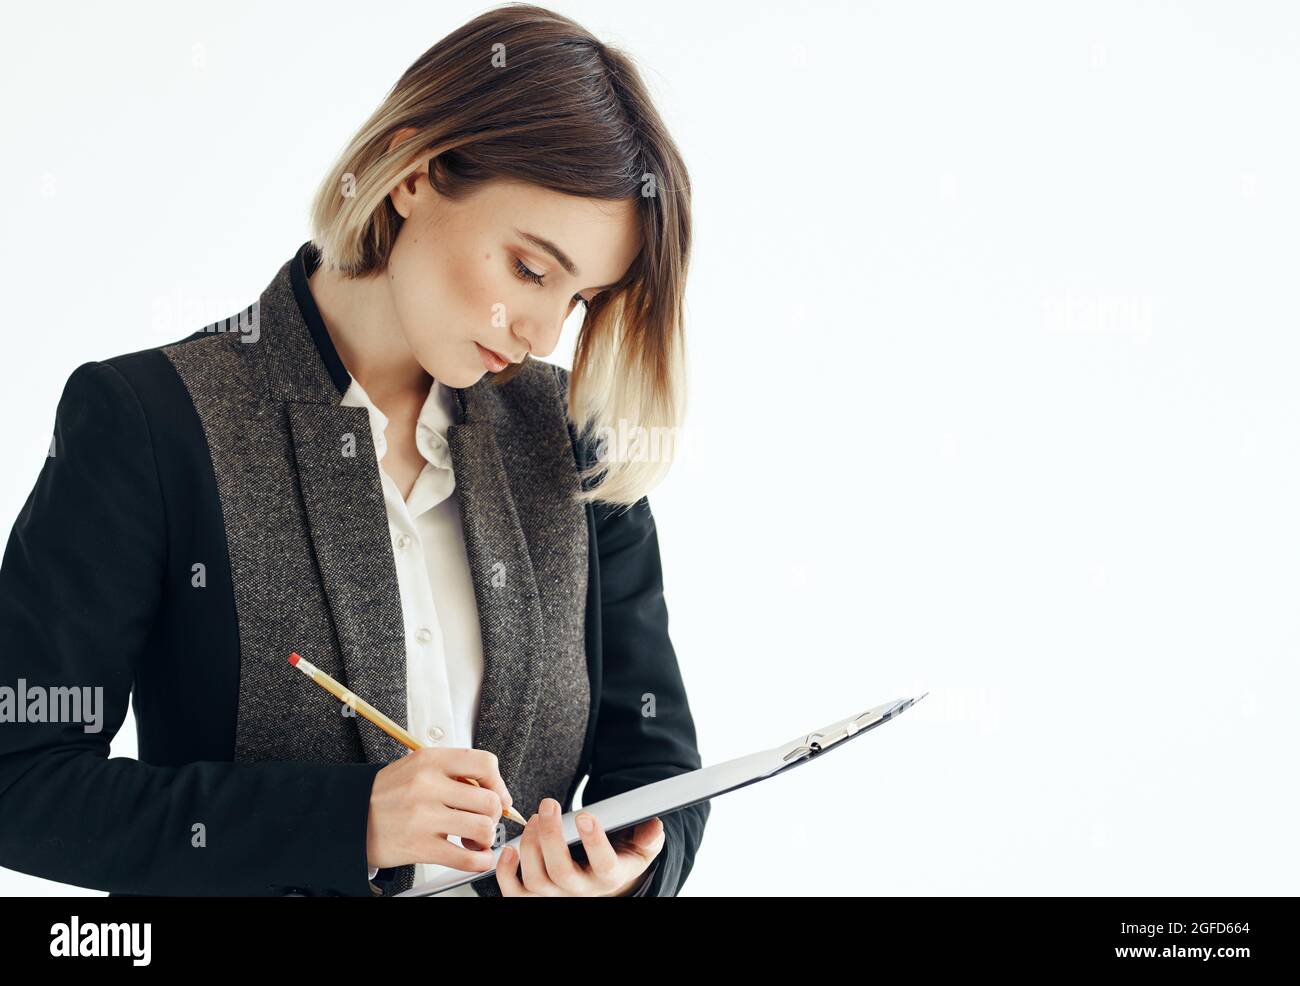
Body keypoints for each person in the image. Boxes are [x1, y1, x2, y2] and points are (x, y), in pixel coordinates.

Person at [0, 3, 707, 897]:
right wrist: (348, 822)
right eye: (529, 269)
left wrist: (623, 877)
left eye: (579, 300)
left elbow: (658, 770)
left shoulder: (574, 440)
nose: (538, 331)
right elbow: (17, 778)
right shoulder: (148, 420)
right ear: (413, 173)